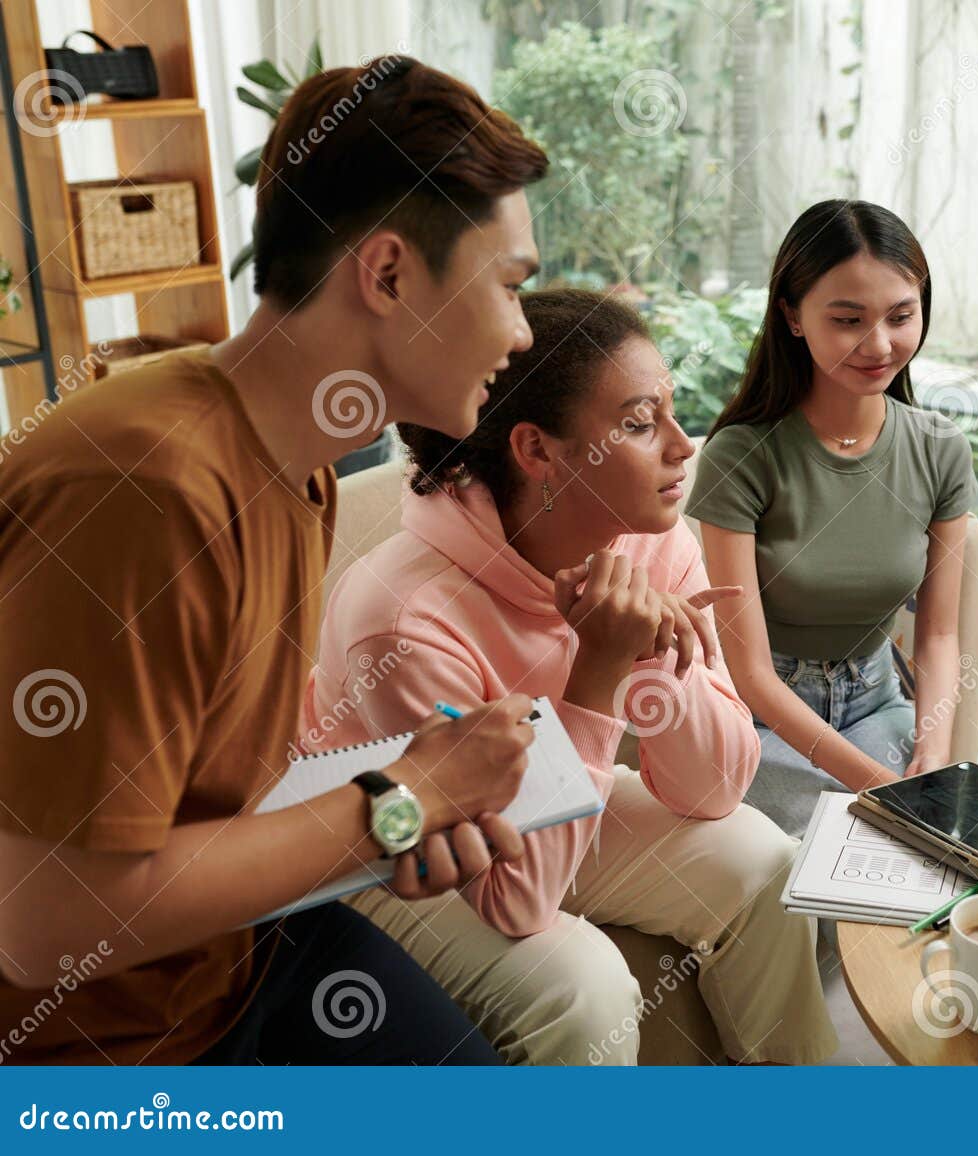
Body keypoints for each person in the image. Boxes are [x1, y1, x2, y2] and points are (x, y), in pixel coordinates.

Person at [0, 58, 550, 1064]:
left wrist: (399, 816)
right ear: (388, 274)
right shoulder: (145, 492)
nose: (521, 333)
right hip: (96, 1047)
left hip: (239, 958)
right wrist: (402, 800)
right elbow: (42, 925)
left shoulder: (301, 463)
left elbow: (214, 797)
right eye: (510, 285)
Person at [300, 288, 838, 1066]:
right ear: (537, 450)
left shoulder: (651, 538)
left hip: (533, 803)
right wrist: (598, 672)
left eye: (672, 412)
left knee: (764, 860)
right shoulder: (403, 620)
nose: (683, 446)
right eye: (640, 424)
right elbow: (516, 900)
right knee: (583, 989)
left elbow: (715, 792)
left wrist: (657, 659)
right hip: (386, 847)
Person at [688, 200, 976, 836]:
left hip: (877, 703)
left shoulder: (940, 448)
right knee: (804, 858)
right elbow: (751, 674)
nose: (879, 345)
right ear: (792, 316)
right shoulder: (742, 457)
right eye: (848, 320)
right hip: (761, 718)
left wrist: (931, 753)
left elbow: (938, 635)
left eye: (901, 316)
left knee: (926, 854)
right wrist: (880, 787)